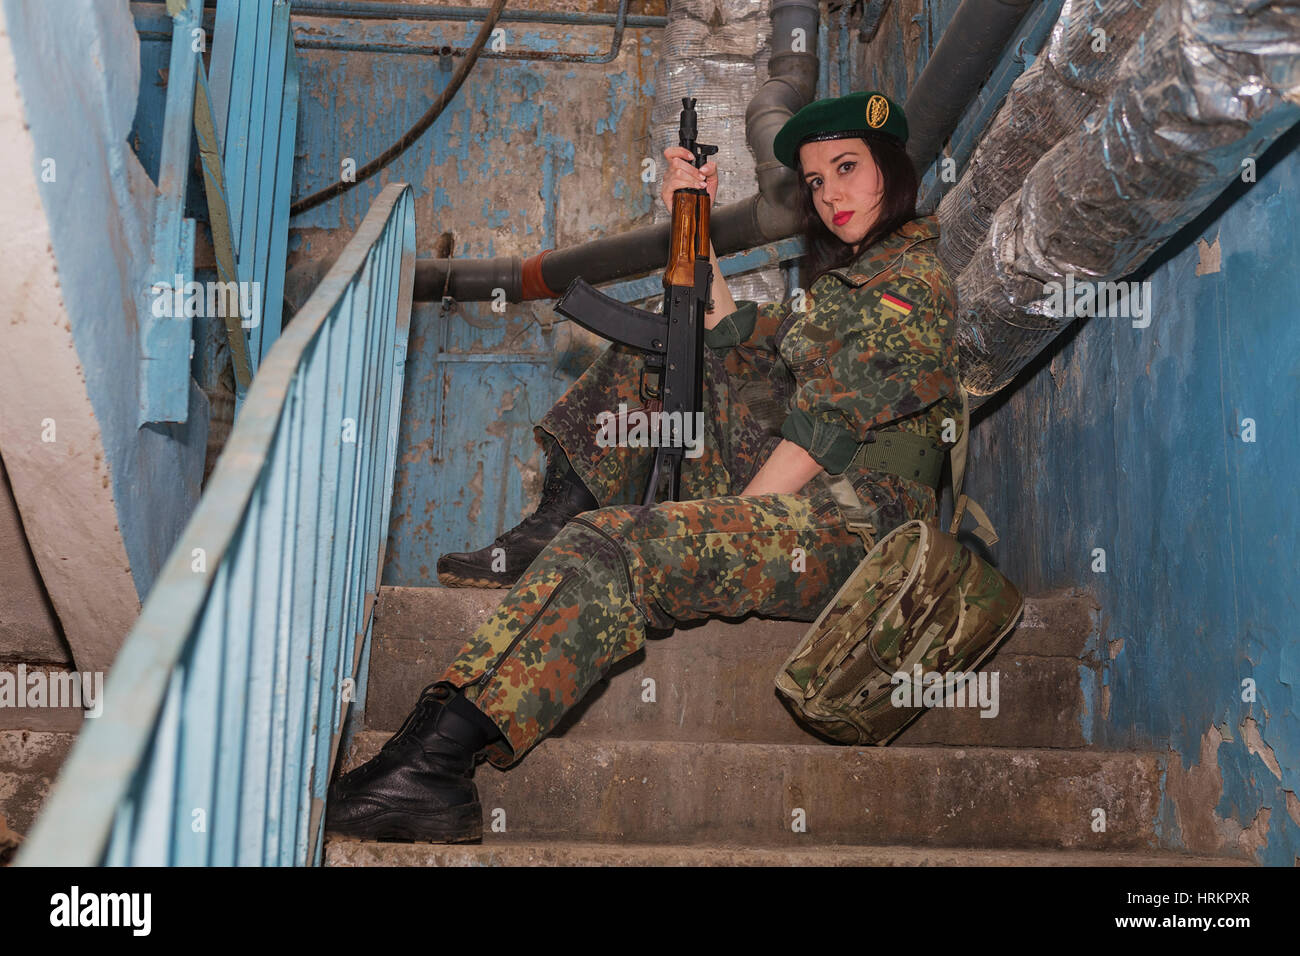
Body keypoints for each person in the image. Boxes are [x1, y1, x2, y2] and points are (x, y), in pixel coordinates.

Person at [325, 90, 962, 843]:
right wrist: (690, 218)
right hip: (817, 502)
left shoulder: (907, 286)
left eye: (847, 168)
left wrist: (709, 529)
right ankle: (556, 520)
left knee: (617, 546)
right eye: (818, 181)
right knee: (661, 348)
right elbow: (719, 332)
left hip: (865, 537)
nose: (830, 195)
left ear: (893, 167)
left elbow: (819, 438)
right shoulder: (845, 287)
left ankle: (432, 766)